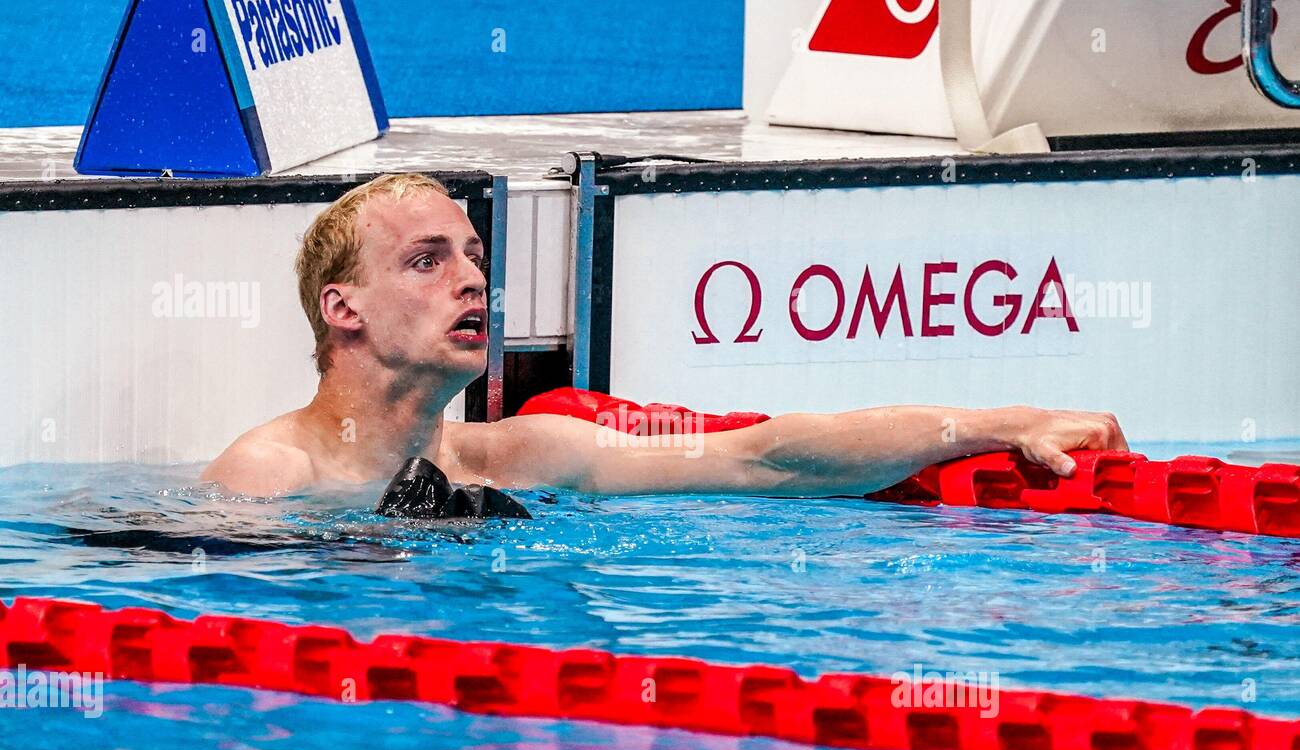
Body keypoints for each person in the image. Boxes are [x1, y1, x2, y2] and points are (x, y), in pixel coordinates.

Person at [202, 174, 1129, 498]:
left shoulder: (522, 454)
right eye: (427, 261)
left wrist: (1001, 421)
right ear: (343, 310)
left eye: (475, 256)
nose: (473, 279)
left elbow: (766, 460)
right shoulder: (273, 475)